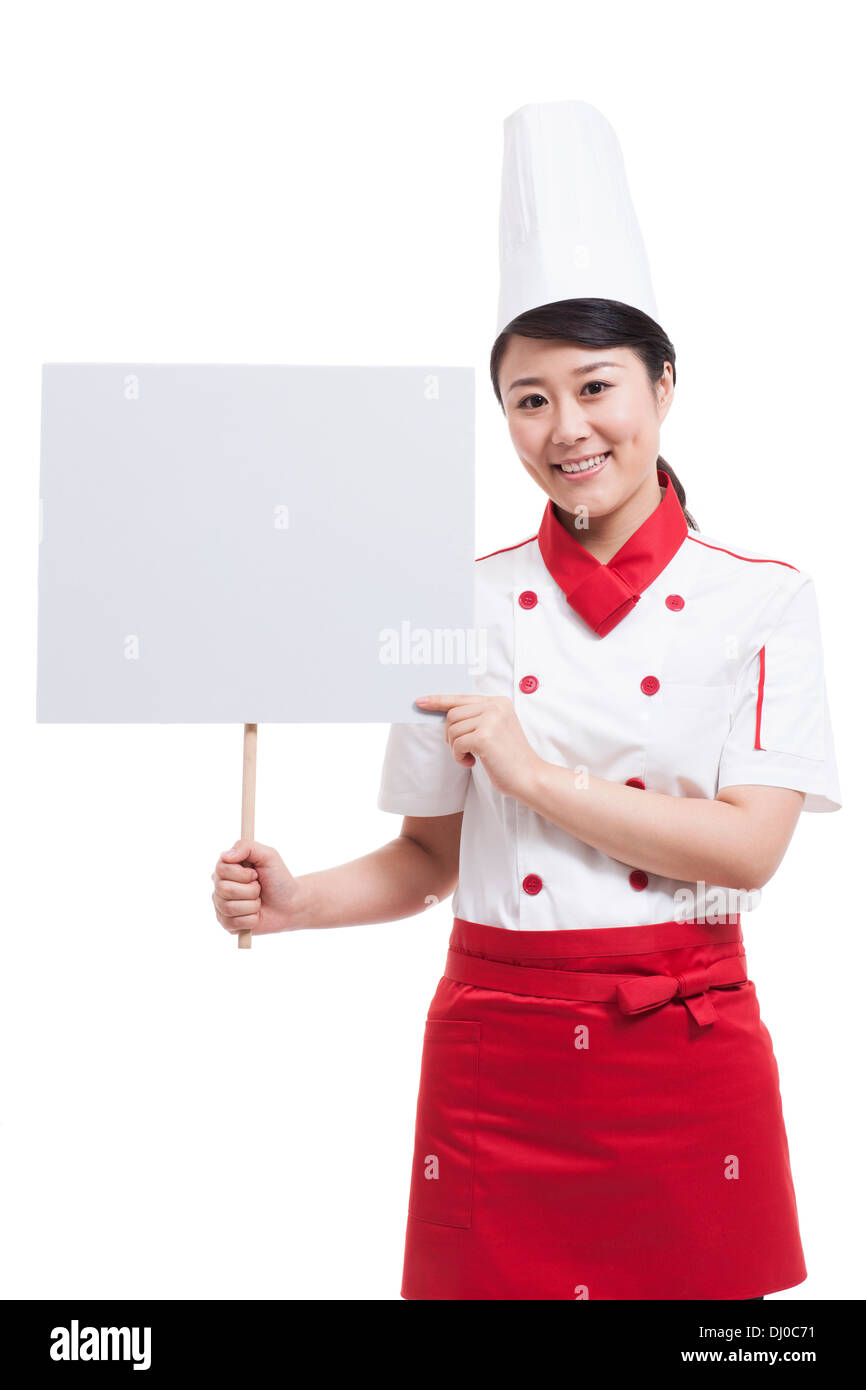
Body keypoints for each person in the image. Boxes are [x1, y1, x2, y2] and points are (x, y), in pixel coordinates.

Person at [211, 104, 842, 1300]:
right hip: (496, 1056)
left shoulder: (761, 600)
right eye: (528, 399)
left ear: (661, 384)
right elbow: (424, 860)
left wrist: (536, 777)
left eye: (593, 385)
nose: (567, 429)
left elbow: (749, 849)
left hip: (681, 1052)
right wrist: (296, 903)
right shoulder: (451, 598)